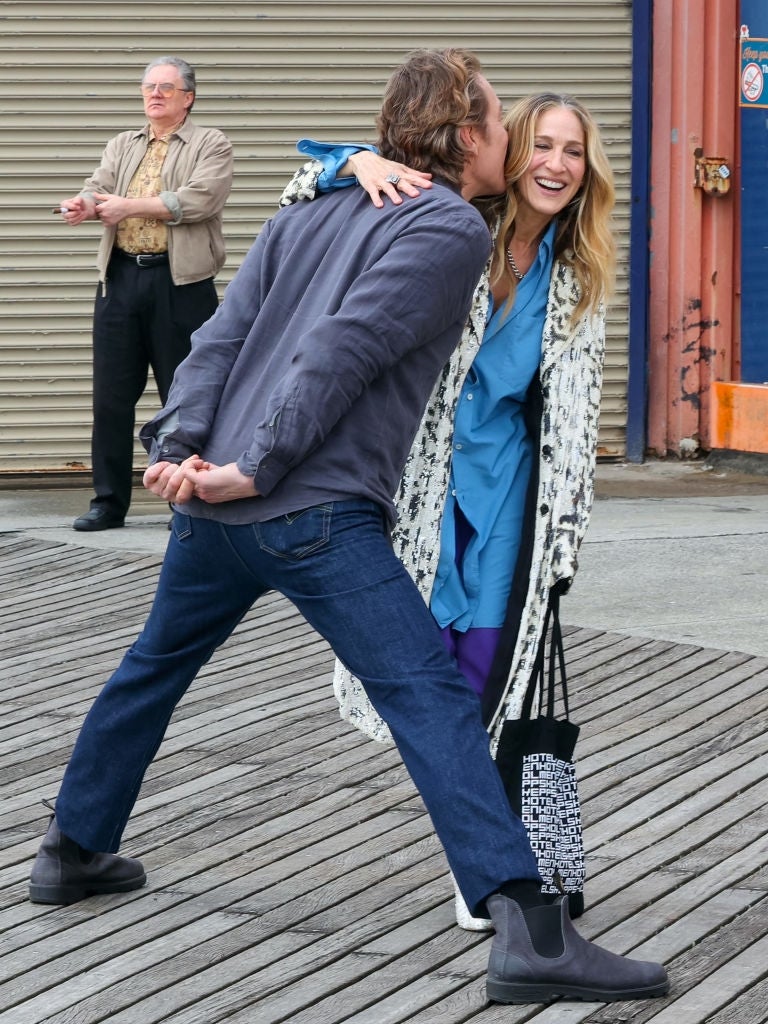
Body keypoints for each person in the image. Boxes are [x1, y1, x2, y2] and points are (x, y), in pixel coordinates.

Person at [29, 52, 667, 1006]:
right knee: (429, 700)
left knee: (152, 667)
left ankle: (71, 851)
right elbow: (348, 345)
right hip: (310, 508)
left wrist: (181, 448)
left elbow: (221, 339)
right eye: (498, 124)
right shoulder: (448, 225)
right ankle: (528, 932)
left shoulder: (307, 211)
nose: (508, 138)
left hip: (219, 509)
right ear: (464, 137)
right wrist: (258, 462)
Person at [280, 92, 616, 930]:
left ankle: (485, 871)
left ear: (588, 171)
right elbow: (297, 190)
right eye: (541, 143)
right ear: (512, 152)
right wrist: (352, 159)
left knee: (486, 671)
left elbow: (576, 415)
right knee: (418, 663)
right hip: (416, 482)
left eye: (574, 151)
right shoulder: (452, 222)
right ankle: (489, 854)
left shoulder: (578, 275)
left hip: (507, 489)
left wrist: (566, 538)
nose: (556, 163)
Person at [58, 56, 234, 532]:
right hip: (120, 280)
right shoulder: (123, 143)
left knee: (186, 395)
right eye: (148, 87)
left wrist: (128, 206)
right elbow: (99, 188)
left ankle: (190, 498)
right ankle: (108, 503)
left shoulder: (210, 143)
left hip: (180, 285)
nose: (154, 94)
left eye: (166, 87)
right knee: (111, 399)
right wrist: (85, 204)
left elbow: (200, 200)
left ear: (188, 97)